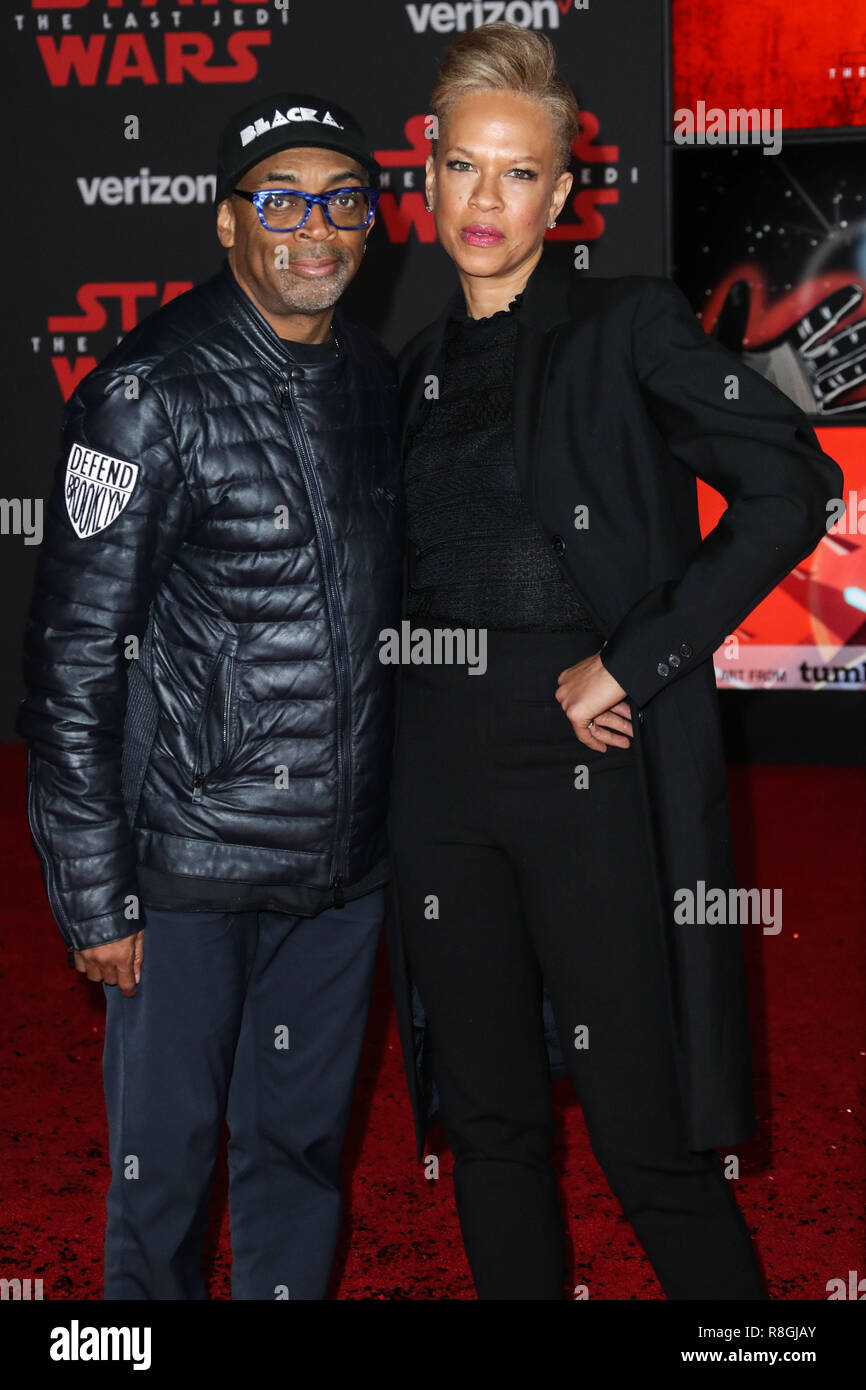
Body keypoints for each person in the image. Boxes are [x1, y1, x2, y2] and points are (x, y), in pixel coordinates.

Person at [385, 23, 845, 1300]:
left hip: (582, 774)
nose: (486, 199)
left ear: (562, 192)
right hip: (432, 782)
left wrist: (630, 663)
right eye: (465, 167)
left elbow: (791, 486)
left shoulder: (626, 327)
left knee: (649, 1144)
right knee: (486, 1128)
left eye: (518, 172)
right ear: (424, 175)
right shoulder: (408, 373)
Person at [17, 92, 404, 1300]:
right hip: (186, 865)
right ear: (227, 223)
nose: (314, 228)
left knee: (299, 1153)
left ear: (369, 226)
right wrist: (95, 892)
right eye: (280, 199)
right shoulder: (145, 393)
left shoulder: (372, 381)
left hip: (339, 868)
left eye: (341, 200)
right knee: (162, 1173)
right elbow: (76, 655)